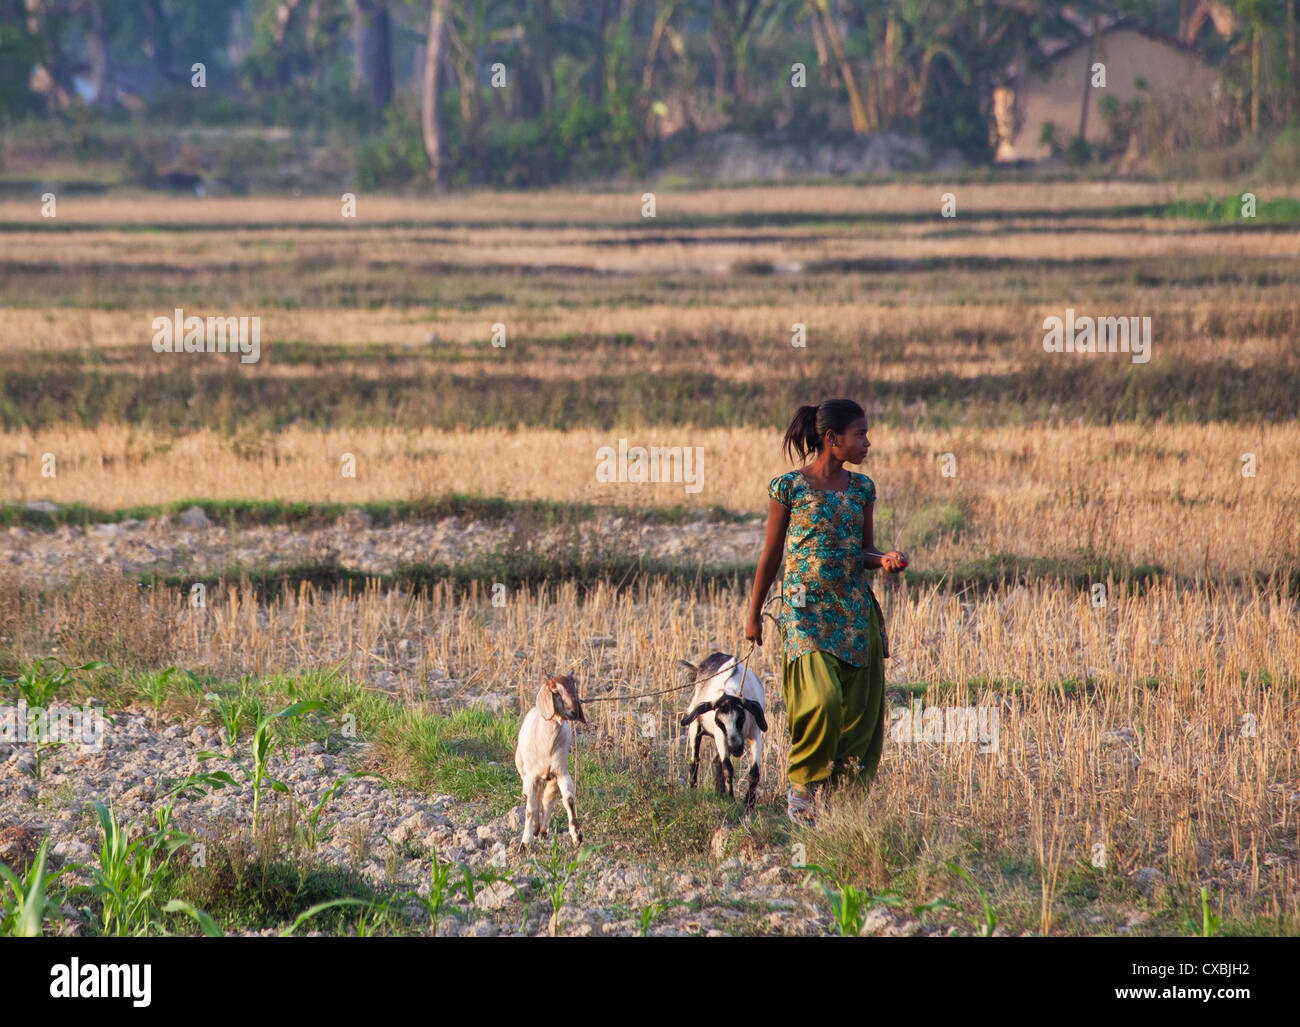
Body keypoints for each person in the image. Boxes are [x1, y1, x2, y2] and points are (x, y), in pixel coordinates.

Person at [745, 399, 908, 825]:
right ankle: (802, 787)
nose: (868, 442)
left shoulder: (862, 489)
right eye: (860, 434)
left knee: (860, 711)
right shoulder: (789, 488)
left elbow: (865, 549)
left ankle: (841, 800)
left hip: (853, 611)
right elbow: (771, 554)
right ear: (833, 440)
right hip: (804, 609)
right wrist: (753, 613)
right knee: (823, 699)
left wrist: (885, 558)